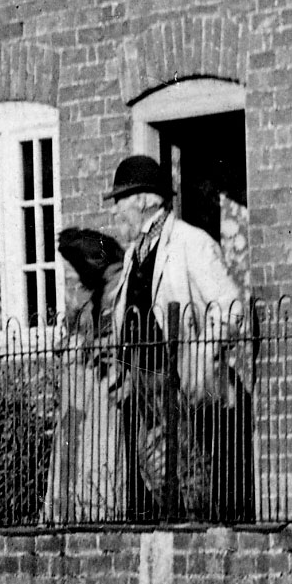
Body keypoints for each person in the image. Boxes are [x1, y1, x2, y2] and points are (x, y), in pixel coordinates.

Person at [99, 154, 249, 522]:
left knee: (193, 479)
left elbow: (231, 307)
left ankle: (203, 538)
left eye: (120, 200)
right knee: (158, 476)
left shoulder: (189, 242)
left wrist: (202, 354)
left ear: (143, 200)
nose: (115, 211)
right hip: (144, 388)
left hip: (181, 386)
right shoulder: (134, 254)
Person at [38, 224, 125, 523]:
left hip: (102, 392)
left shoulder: (116, 291)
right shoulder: (92, 297)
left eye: (73, 269)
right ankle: (73, 514)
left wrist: (84, 347)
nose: (70, 277)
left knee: (99, 455)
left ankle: (99, 515)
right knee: (76, 457)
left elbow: (115, 342)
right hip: (82, 394)